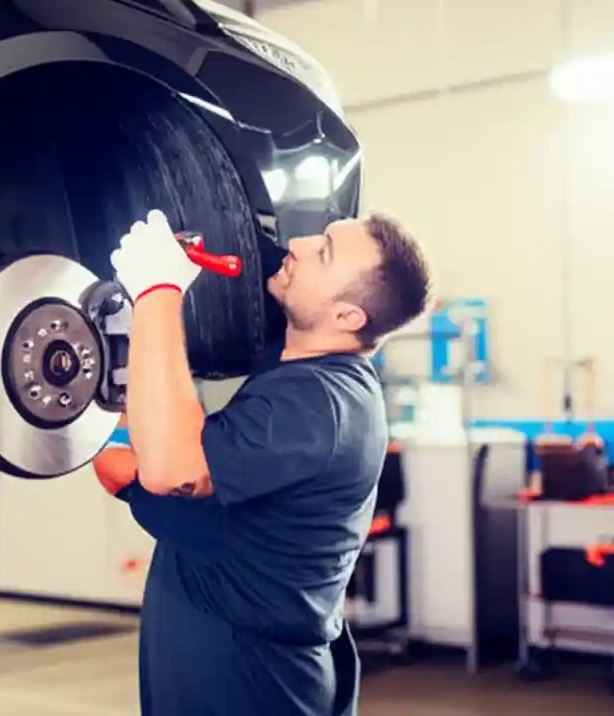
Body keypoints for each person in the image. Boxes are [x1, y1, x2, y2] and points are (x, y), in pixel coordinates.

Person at [98, 208, 432, 716]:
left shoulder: (321, 404)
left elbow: (171, 470)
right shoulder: (307, 372)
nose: (297, 243)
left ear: (348, 318)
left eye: (323, 252)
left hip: (251, 685)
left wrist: (158, 292)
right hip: (238, 664)